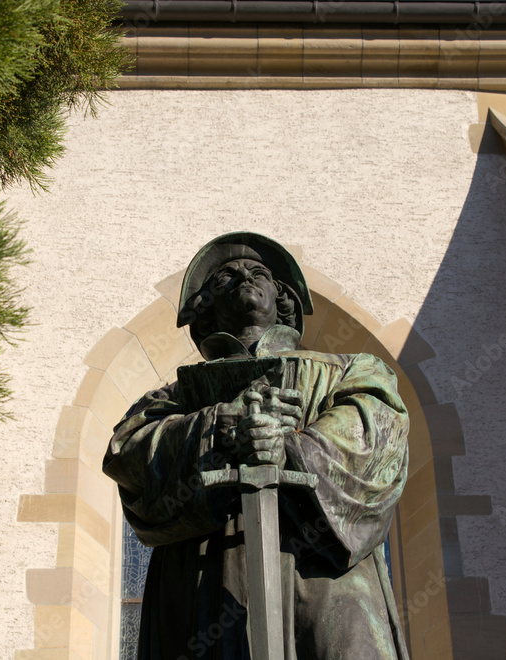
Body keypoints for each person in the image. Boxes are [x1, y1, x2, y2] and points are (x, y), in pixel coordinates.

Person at [103, 232, 410, 659]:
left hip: (321, 575)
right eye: (225, 277)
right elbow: (128, 452)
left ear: (281, 296)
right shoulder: (174, 397)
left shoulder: (350, 371)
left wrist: (294, 446)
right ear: (205, 308)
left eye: (258, 272)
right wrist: (218, 427)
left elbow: (377, 430)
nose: (244, 277)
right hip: (203, 581)